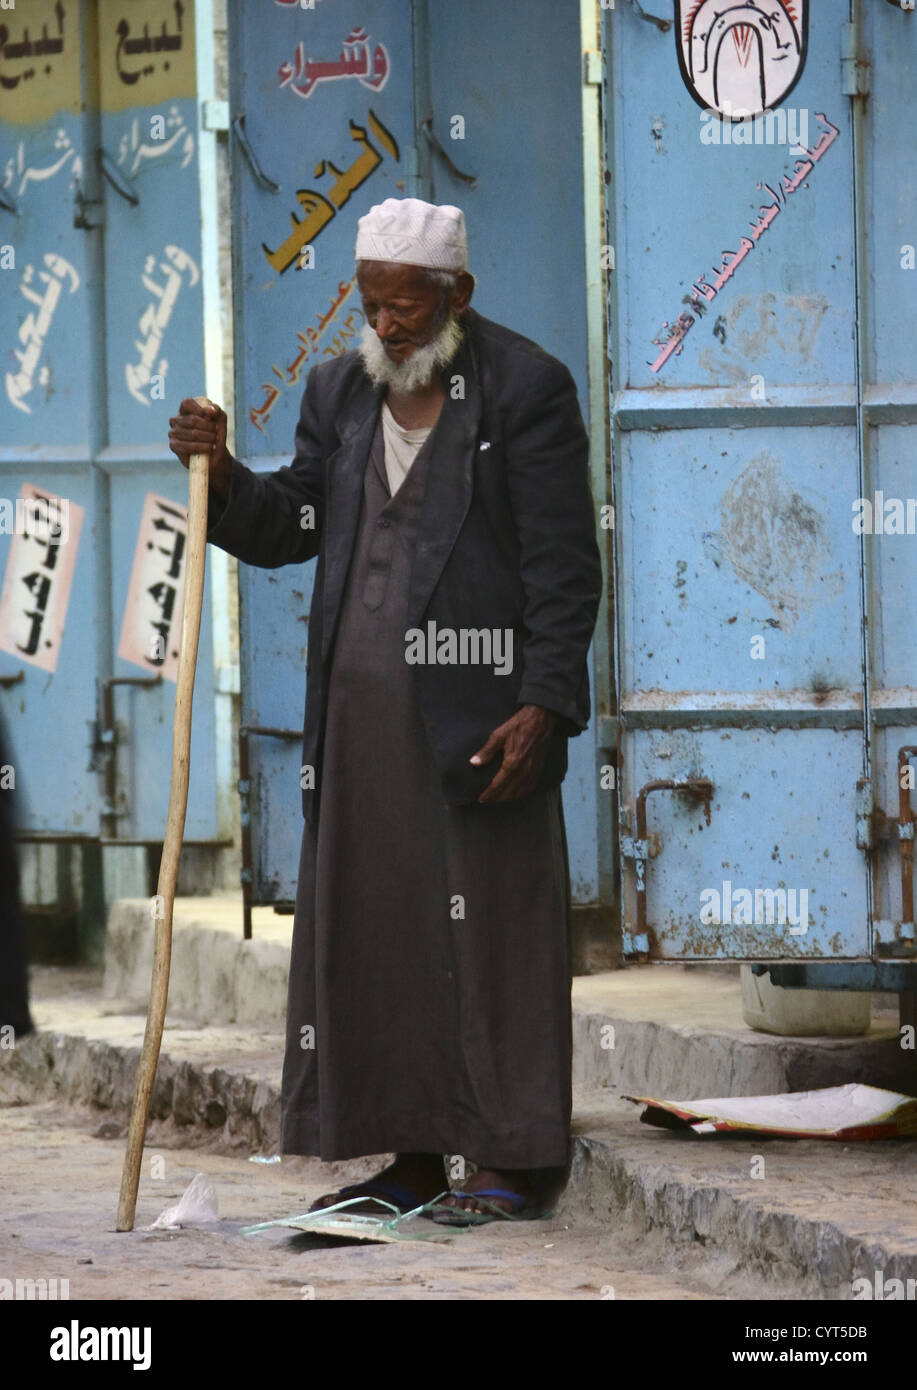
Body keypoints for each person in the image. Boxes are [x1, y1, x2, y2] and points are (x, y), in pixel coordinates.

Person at [169, 198, 601, 1223]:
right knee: (382, 935)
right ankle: (410, 1158)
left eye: (407, 306)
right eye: (372, 305)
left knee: (494, 933)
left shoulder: (526, 389)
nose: (388, 325)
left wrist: (545, 703)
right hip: (358, 725)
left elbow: (562, 566)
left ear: (458, 294)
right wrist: (223, 475)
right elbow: (294, 524)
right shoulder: (338, 391)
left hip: (481, 715)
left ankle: (511, 1156)